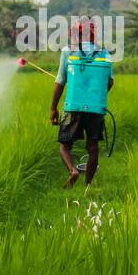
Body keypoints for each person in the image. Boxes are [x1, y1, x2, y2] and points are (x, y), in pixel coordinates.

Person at [50, 20, 114, 188]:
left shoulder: (67, 51)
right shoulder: (104, 53)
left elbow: (60, 80)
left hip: (73, 106)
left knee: (64, 145)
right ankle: (88, 186)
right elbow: (109, 82)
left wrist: (53, 108)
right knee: (92, 147)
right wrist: (95, 96)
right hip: (95, 108)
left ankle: (73, 170)